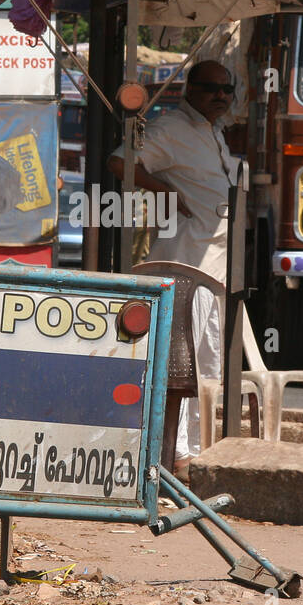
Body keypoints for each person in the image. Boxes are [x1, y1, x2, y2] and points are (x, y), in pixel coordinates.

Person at [107, 60, 240, 479]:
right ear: (190, 90)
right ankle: (176, 455)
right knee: (183, 366)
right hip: (186, 263)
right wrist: (166, 191)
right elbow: (120, 162)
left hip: (218, 267)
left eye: (226, 89)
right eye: (211, 88)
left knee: (210, 364)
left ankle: (199, 453)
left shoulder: (214, 132)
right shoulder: (172, 129)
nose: (220, 95)